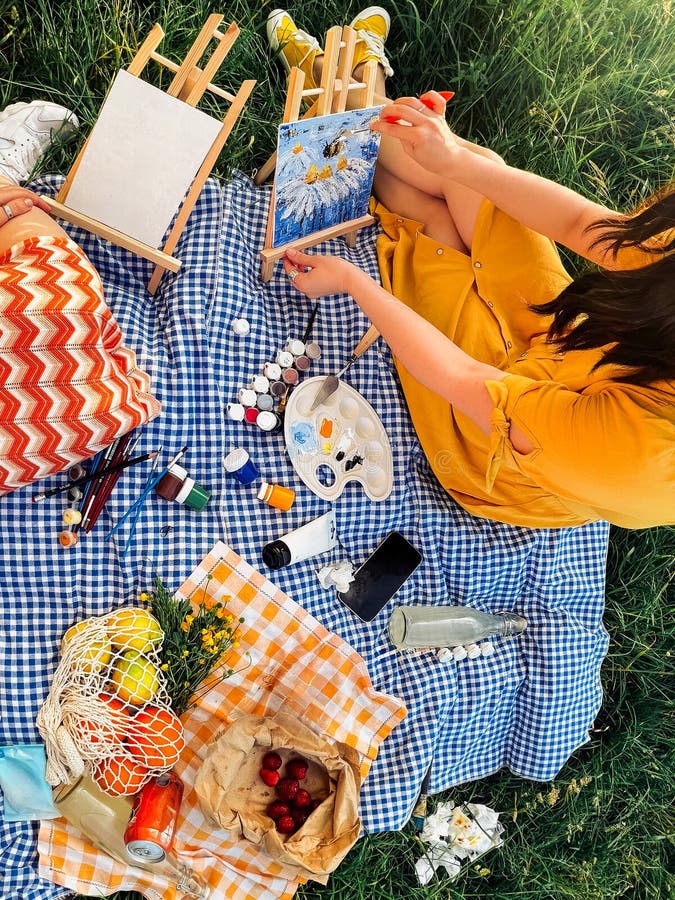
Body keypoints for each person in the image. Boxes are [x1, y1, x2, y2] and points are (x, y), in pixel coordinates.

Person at [267, 8, 674, 530]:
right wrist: (455, 161)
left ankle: (338, 80)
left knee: (434, 222)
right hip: (558, 343)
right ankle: (346, 80)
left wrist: (351, 281)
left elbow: (462, 377)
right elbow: (579, 223)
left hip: (496, 448)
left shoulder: (635, 454)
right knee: (475, 173)